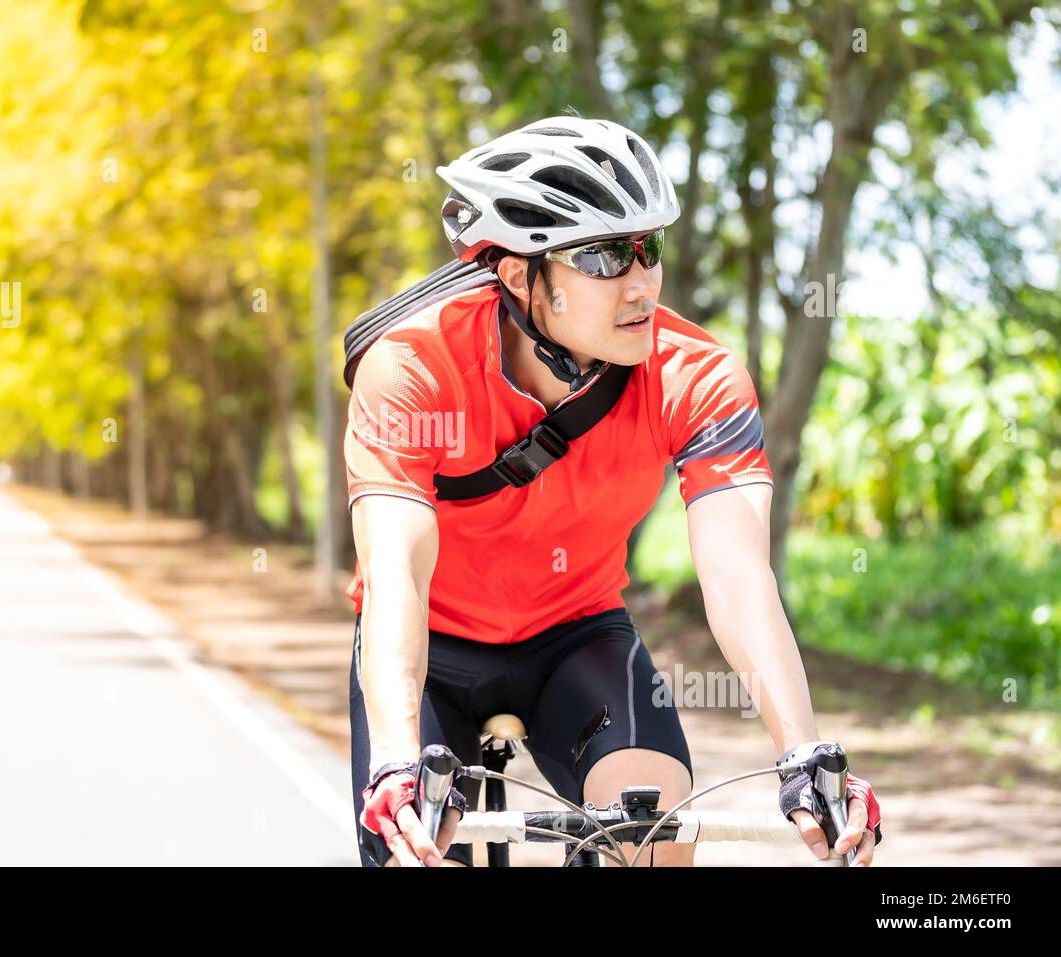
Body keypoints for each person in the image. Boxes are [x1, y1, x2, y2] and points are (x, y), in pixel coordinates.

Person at [345, 116, 883, 867]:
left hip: (577, 634)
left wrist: (804, 752)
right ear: (518, 277)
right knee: (416, 844)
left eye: (648, 248)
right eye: (600, 256)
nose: (640, 283)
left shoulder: (698, 378)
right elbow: (395, 568)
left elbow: (736, 574)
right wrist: (400, 759)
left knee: (655, 840)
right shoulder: (412, 367)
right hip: (431, 645)